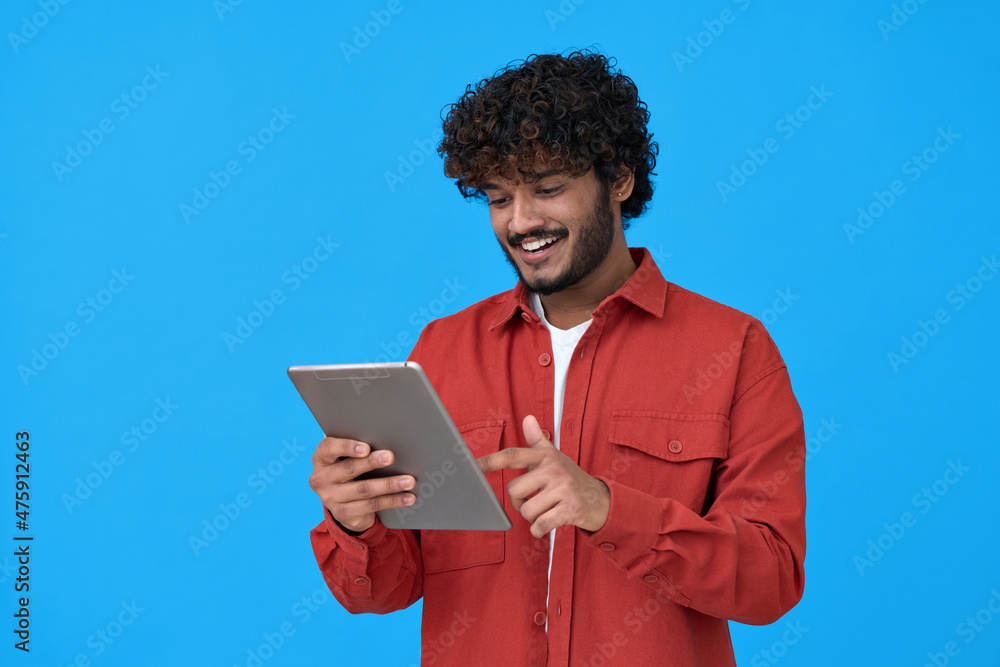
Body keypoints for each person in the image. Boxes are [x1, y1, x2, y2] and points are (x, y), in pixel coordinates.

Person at [308, 50, 806, 666]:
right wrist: (355, 521)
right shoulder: (442, 351)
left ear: (618, 180)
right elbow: (384, 590)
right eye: (498, 198)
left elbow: (770, 580)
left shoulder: (733, 349)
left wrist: (607, 509)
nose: (521, 222)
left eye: (548, 189)